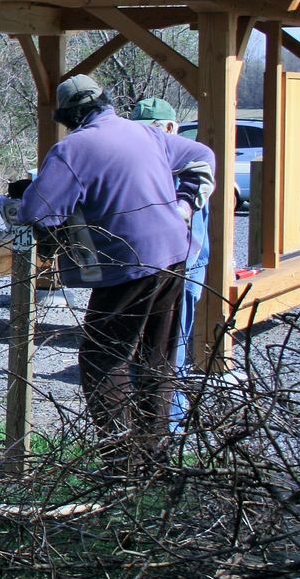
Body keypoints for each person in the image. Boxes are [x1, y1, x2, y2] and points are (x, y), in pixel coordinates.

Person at [13, 75, 213, 463]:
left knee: (102, 358)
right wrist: (185, 205)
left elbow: (37, 212)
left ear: (68, 117)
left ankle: (122, 461)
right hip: (174, 254)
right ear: (105, 102)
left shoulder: (71, 150)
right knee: (156, 357)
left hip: (128, 264)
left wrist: (29, 210)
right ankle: (155, 455)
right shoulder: (146, 135)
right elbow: (202, 155)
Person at [130, 97, 209, 431]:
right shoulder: (141, 164)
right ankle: (142, 423)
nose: (149, 137)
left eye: (155, 129)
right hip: (147, 272)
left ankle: (171, 427)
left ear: (172, 128)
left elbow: (192, 233)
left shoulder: (187, 165)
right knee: (140, 352)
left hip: (181, 272)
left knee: (167, 352)